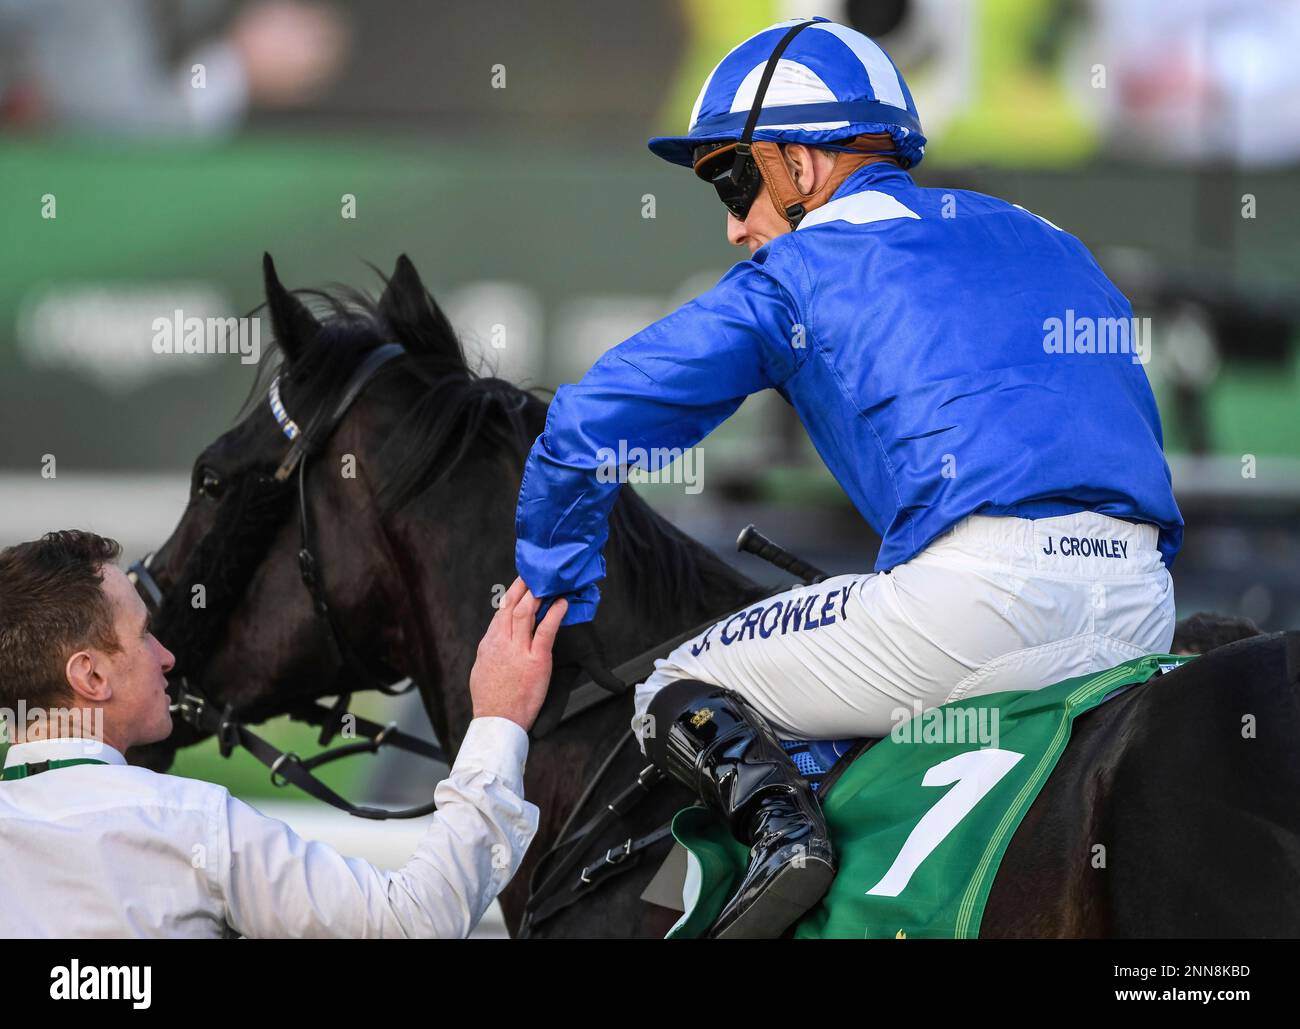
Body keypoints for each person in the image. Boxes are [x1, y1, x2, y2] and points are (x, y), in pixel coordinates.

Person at [513, 17, 1182, 937]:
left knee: (670, 688)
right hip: (1142, 605)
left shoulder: (797, 272)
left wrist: (556, 587)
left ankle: (789, 845)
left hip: (978, 604)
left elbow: (584, 431)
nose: (734, 218)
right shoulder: (1045, 235)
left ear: (805, 166)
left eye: (734, 177)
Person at [0, 530, 564, 938]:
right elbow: (412, 922)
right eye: (146, 636)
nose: (168, 657)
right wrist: (497, 719)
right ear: (90, 676)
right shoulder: (189, 823)